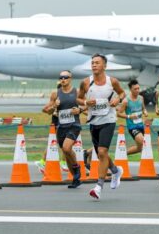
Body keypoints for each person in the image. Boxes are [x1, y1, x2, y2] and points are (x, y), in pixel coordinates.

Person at [78, 54, 126, 200]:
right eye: (92, 63)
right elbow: (78, 98)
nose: (94, 65)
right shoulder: (86, 82)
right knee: (101, 155)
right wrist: (86, 103)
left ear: (104, 66)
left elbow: (123, 93)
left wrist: (117, 99)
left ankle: (98, 187)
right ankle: (115, 170)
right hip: (93, 121)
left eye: (97, 63)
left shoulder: (112, 81)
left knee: (102, 151)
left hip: (109, 119)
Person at [42, 70, 85, 188]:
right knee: (66, 153)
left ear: (70, 78)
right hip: (61, 127)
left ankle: (76, 168)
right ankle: (75, 178)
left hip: (74, 125)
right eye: (61, 77)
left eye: (66, 77)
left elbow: (88, 105)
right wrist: (54, 106)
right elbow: (46, 110)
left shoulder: (77, 92)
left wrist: (80, 110)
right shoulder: (55, 93)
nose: (63, 79)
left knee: (67, 148)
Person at [117, 80, 148, 156]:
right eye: (135, 89)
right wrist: (129, 116)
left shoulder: (141, 98)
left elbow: (143, 108)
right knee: (143, 142)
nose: (137, 90)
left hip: (141, 125)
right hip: (132, 127)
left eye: (138, 88)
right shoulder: (126, 101)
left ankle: (122, 155)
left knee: (140, 148)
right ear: (131, 89)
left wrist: (145, 111)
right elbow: (118, 113)